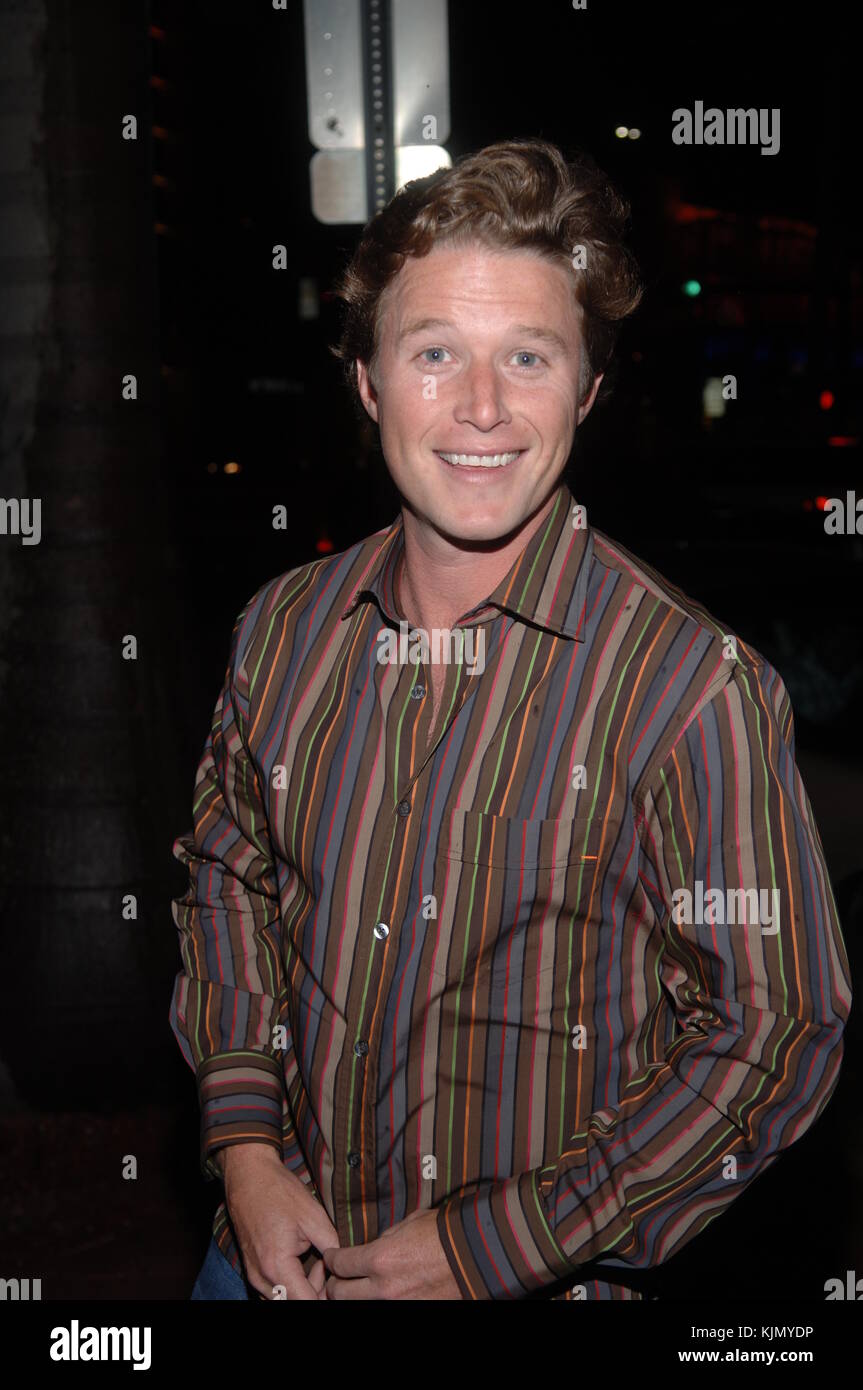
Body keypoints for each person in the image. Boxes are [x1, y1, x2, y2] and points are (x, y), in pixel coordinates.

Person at [172, 138, 851, 1301]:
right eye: (434, 352)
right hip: (263, 1266)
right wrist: (244, 1152)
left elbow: (774, 1031)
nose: (481, 406)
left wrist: (494, 1245)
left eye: (526, 356)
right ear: (369, 380)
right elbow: (231, 886)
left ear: (583, 390)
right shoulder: (279, 631)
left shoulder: (689, 687)